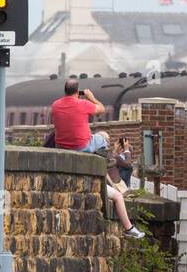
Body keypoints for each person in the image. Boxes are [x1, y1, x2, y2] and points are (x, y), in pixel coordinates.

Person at [51, 79, 144, 240]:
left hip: (63, 147)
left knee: (99, 139)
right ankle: (129, 228)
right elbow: (101, 109)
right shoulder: (82, 104)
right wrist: (90, 97)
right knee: (102, 138)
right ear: (77, 91)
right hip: (83, 147)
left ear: (65, 90)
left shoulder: (55, 105)